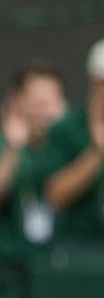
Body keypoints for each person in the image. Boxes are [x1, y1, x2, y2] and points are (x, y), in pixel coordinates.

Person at [0, 60, 67, 271]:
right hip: (12, 266)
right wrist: (13, 150)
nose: (47, 112)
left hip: (62, 264)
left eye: (53, 102)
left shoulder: (69, 145)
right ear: (17, 101)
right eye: (39, 103)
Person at [41, 39, 104, 245]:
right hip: (80, 252)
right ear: (93, 82)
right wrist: (97, 152)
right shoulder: (65, 129)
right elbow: (56, 195)